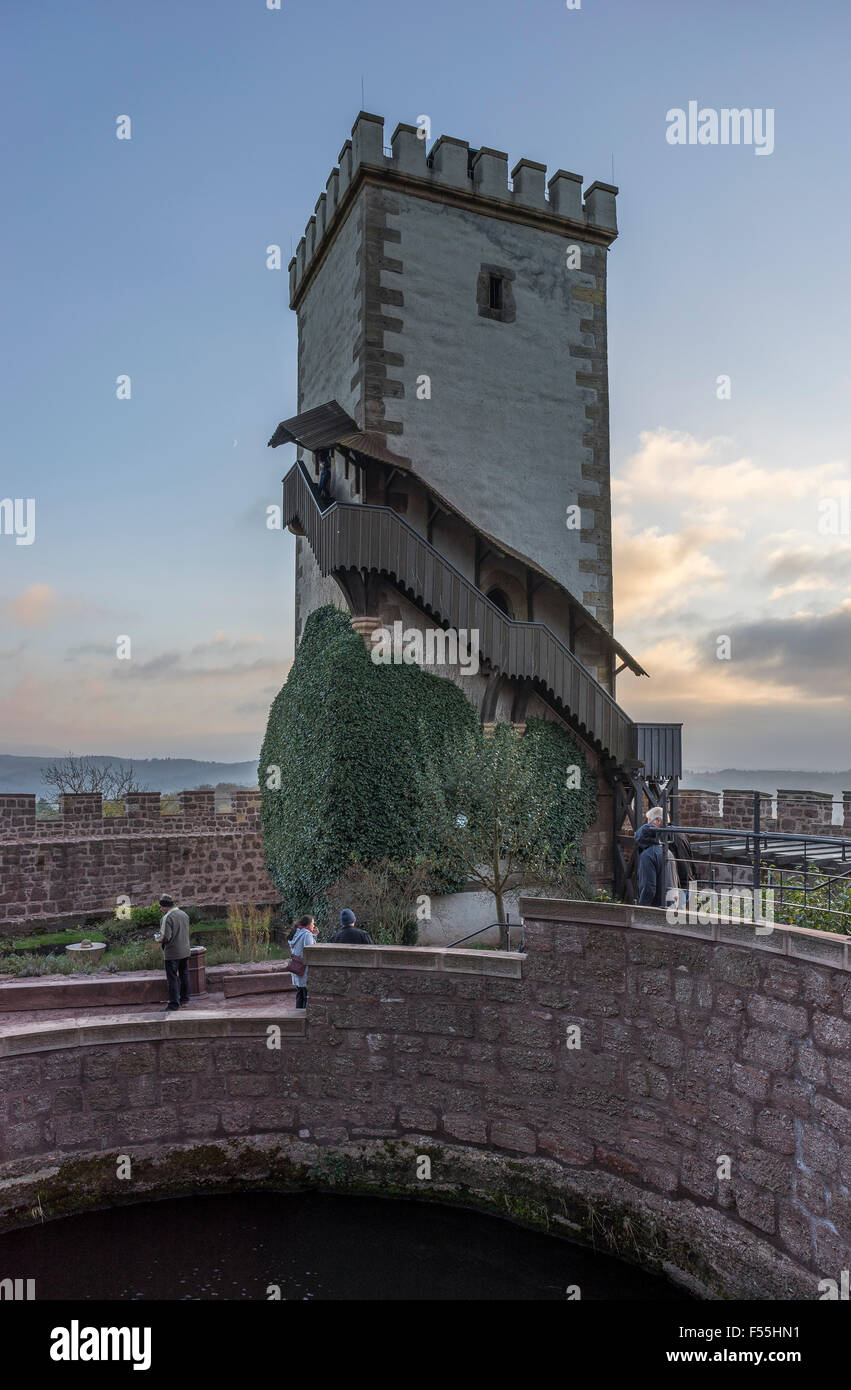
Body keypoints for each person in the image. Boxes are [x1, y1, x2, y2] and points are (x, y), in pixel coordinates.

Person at [154, 895, 191, 1011]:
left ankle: (173, 1005)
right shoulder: (184, 914)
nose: (160, 909)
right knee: (184, 975)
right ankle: (185, 1000)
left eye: (160, 907)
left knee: (172, 978)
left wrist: (157, 938)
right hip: (185, 951)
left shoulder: (167, 917)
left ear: (165, 907)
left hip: (172, 953)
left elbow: (165, 937)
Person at [288, 914, 318, 1009]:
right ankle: (303, 1018)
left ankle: (297, 1016)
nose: (314, 925)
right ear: (308, 925)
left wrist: (314, 935)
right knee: (306, 996)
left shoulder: (296, 932)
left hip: (296, 968)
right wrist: (313, 936)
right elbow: (311, 950)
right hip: (304, 969)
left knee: (299, 994)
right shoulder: (306, 934)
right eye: (313, 923)